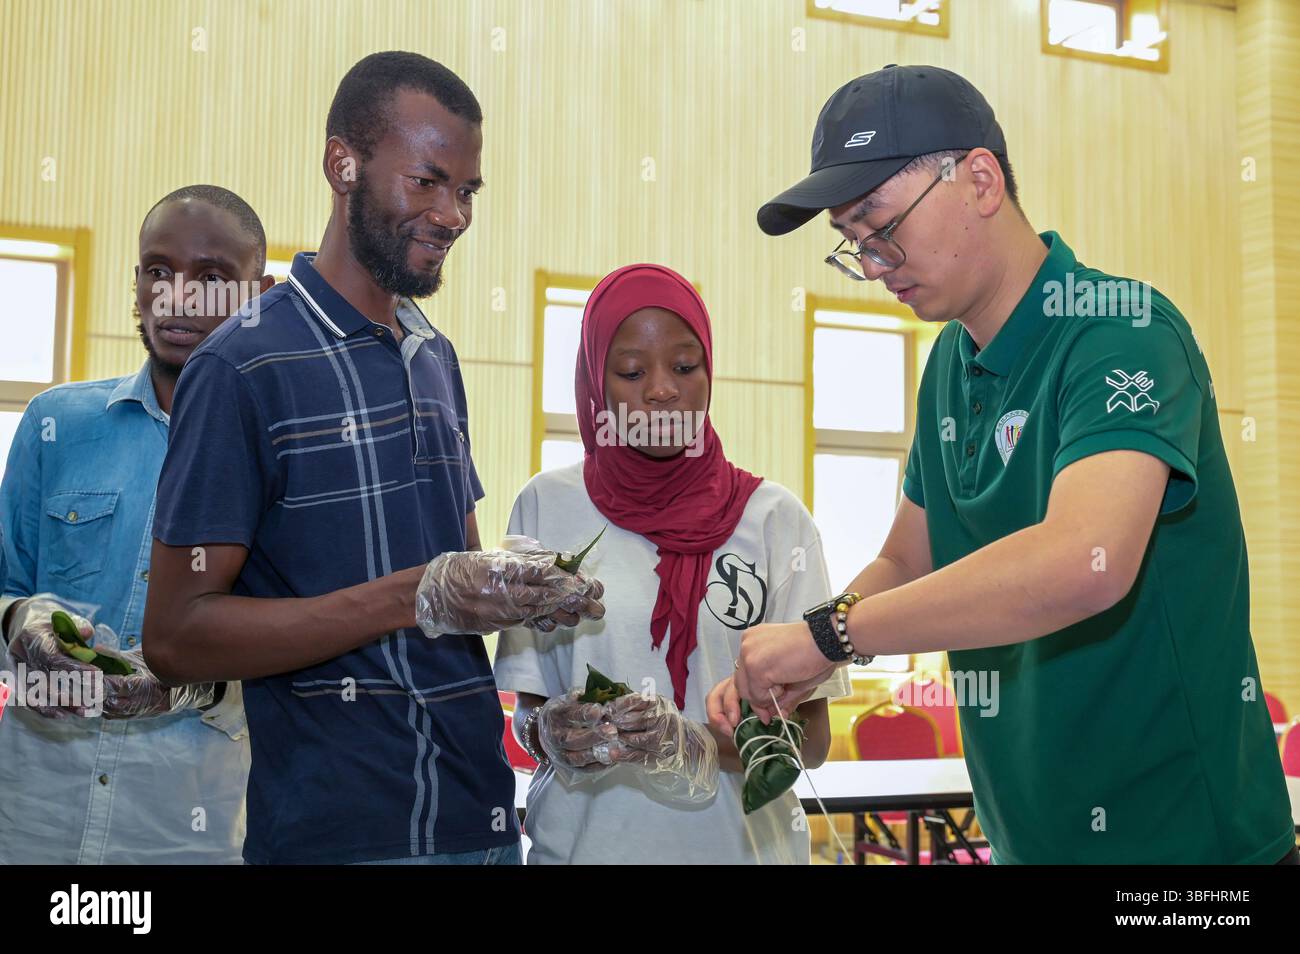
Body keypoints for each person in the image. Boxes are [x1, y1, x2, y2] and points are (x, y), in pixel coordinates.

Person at [717, 63, 1296, 864]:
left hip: (1186, 852)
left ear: (981, 180)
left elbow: (1083, 563)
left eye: (882, 226)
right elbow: (905, 559)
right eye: (851, 245)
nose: (875, 263)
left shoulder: (1120, 332)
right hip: (1031, 841)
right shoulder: (951, 364)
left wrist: (830, 635)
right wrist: (800, 658)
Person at [140, 52, 603, 865]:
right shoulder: (240, 366)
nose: (453, 213)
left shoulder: (434, 357)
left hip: (481, 818)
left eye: (466, 191)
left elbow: (453, 578)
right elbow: (176, 637)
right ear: (341, 164)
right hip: (339, 834)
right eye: (426, 181)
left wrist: (518, 597)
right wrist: (408, 596)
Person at [496, 263, 849, 864]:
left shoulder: (773, 521)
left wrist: (692, 743)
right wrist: (553, 733)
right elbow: (529, 721)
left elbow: (811, 743)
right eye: (632, 371)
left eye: (686, 367)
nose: (661, 389)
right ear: (594, 382)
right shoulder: (546, 508)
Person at [0, 185, 271, 863]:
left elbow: (298, 649)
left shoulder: (286, 462)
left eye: (211, 278)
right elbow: (5, 588)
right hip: (33, 815)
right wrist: (21, 623)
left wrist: (187, 683)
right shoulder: (57, 426)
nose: (177, 298)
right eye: (158, 270)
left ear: (260, 294)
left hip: (186, 830)